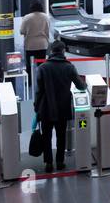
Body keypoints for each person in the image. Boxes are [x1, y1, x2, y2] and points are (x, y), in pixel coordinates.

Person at [33, 42, 85, 171]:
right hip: (63, 107)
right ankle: (60, 162)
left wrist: (36, 106)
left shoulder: (43, 67)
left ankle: (48, 163)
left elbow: (38, 90)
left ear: (51, 51)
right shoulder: (69, 67)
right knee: (61, 136)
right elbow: (80, 85)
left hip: (46, 107)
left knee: (46, 136)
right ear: (63, 51)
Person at [19, 0, 51, 89]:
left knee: (29, 65)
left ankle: (29, 82)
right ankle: (42, 82)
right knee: (42, 64)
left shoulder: (27, 17)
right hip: (42, 44)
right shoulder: (46, 17)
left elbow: (21, 31)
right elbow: (48, 30)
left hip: (30, 45)